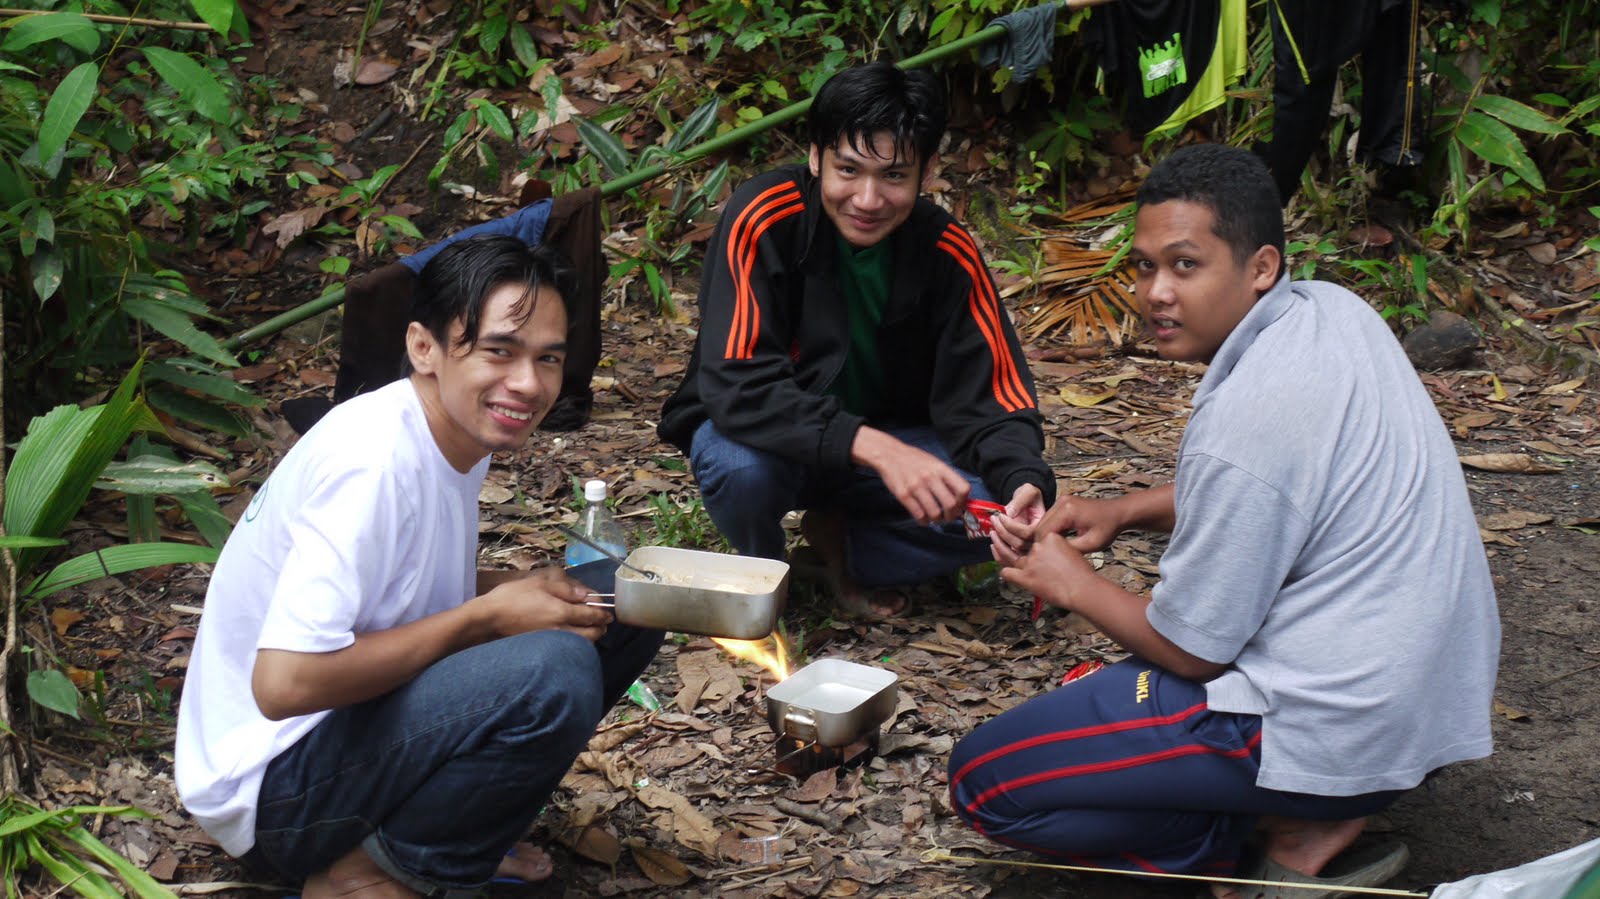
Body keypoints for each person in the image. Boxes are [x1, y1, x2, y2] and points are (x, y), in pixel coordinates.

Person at [950, 144, 1498, 897]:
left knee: (982, 779)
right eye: (1144, 267)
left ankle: (1240, 847)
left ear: (1261, 266)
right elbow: (1291, 492)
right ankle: (1315, 812)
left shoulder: (1252, 415)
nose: (1155, 293)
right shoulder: (1332, 312)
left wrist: (1073, 583)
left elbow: (1192, 649)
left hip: (1330, 721)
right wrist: (1124, 510)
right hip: (1418, 705)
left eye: (1185, 265)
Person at [175, 235, 663, 898]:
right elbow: (283, 681)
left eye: (547, 358)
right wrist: (487, 615)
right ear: (424, 347)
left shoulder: (456, 425)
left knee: (622, 597)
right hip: (273, 786)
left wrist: (513, 590)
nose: (528, 383)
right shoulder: (373, 462)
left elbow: (401, 586)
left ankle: (449, 835)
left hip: (346, 735)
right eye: (499, 350)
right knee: (553, 671)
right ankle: (373, 872)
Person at [657, 61, 1056, 619]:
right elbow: (737, 384)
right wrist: (879, 449)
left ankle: (846, 549)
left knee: (997, 512)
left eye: (894, 176)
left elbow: (996, 397)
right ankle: (762, 576)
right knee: (737, 465)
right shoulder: (765, 215)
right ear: (816, 156)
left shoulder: (945, 250)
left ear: (927, 172)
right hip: (781, 446)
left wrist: (1022, 480)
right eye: (848, 170)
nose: (867, 199)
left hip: (888, 451)